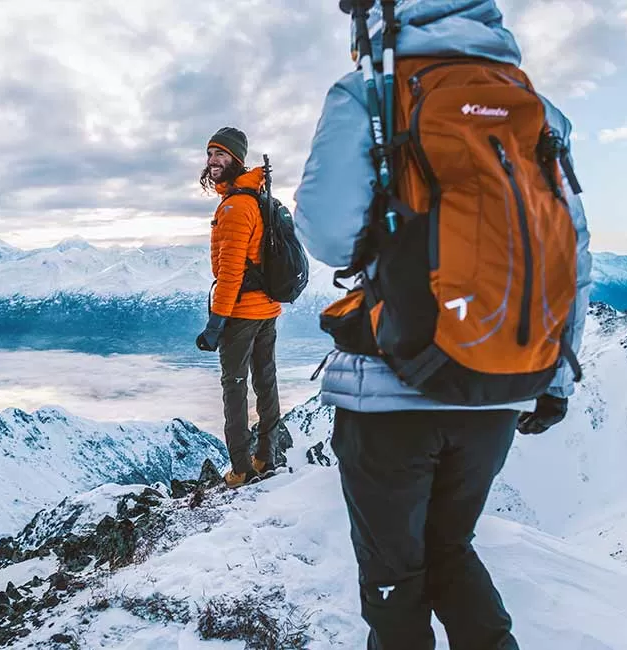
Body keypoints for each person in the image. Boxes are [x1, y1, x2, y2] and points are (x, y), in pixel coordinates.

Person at [293, 1, 592, 648]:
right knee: (452, 552)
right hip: (500, 384)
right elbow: (572, 250)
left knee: (395, 583)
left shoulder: (371, 91)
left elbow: (327, 231)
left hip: (391, 385)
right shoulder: (534, 107)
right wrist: (557, 377)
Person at [196, 126, 285, 488]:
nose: (212, 161)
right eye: (209, 153)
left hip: (243, 312)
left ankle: (241, 469)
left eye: (221, 154)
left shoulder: (235, 206)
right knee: (267, 382)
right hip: (268, 308)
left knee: (235, 387)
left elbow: (230, 271)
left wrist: (216, 322)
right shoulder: (259, 198)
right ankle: (266, 456)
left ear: (237, 159)